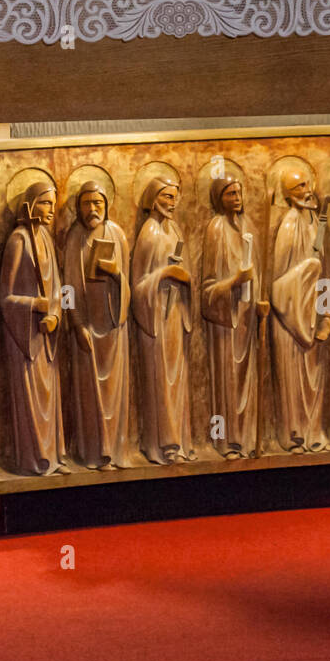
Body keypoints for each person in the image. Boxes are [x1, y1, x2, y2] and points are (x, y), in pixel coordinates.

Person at [62, 179, 132, 470]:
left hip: (114, 328)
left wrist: (116, 274)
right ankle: (93, 453)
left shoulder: (117, 235)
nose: (93, 209)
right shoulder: (74, 238)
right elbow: (67, 289)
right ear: (78, 208)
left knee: (115, 395)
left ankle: (116, 451)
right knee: (89, 396)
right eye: (87, 203)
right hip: (87, 329)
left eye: (98, 203)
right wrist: (76, 324)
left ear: (107, 205)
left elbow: (127, 281)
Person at [0, 180, 66, 475]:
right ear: (30, 204)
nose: (51, 209)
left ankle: (52, 457)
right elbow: (5, 296)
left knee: (49, 400)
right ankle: (33, 461)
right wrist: (32, 305)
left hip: (46, 335)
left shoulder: (46, 239)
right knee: (30, 402)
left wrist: (55, 314)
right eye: (45, 203)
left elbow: (59, 288)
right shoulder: (18, 240)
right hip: (24, 336)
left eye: (53, 203)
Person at [201, 171, 268, 459]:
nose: (237, 198)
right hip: (225, 320)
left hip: (247, 319)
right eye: (230, 193)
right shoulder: (216, 229)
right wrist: (234, 283)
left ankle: (249, 439)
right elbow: (208, 287)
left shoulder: (247, 227)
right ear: (219, 198)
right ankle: (226, 441)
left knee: (248, 381)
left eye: (239, 193)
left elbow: (257, 272)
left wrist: (260, 301)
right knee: (228, 381)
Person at [131, 176, 195, 464]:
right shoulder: (149, 233)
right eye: (167, 197)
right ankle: (162, 444)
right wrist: (164, 275)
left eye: (175, 197)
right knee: (159, 381)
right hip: (154, 318)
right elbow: (138, 284)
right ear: (153, 198)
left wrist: (184, 279)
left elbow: (186, 271)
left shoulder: (175, 229)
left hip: (174, 316)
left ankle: (179, 439)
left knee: (176, 380)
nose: (173, 202)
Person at [269, 163, 330, 452]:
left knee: (314, 380)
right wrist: (309, 268)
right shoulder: (290, 224)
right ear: (287, 194)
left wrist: (325, 314)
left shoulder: (312, 222)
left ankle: (313, 432)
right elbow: (279, 285)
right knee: (294, 384)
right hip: (290, 319)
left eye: (309, 185)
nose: (308, 192)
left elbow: (323, 268)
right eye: (299, 187)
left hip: (313, 315)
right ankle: (295, 435)